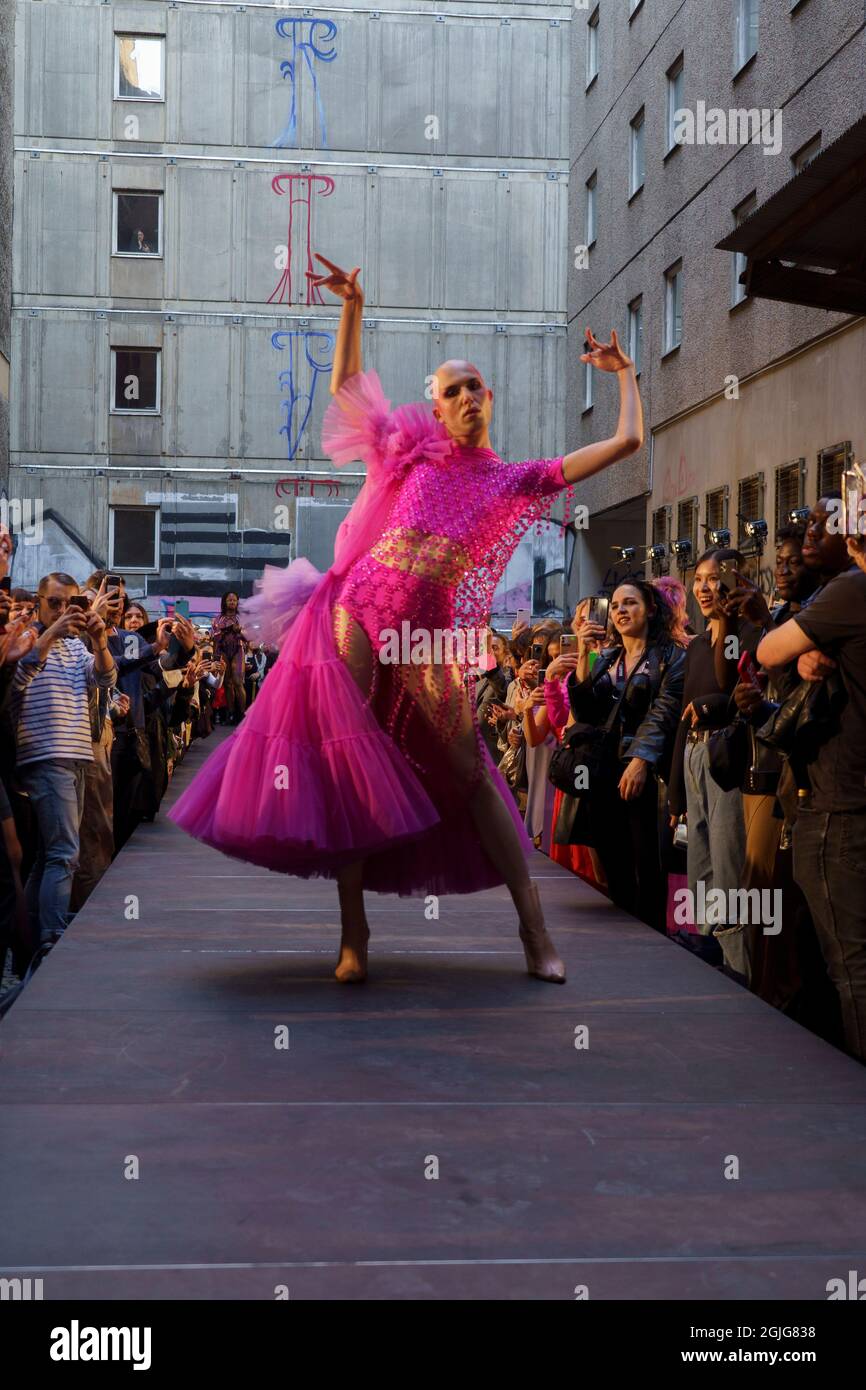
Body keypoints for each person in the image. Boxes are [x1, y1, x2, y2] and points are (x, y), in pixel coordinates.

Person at [170, 255, 644, 983]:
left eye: (472, 387)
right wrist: (354, 305)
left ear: (489, 396)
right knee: (348, 751)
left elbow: (626, 447)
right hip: (361, 608)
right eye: (449, 390)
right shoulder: (409, 454)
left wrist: (625, 376)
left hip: (425, 638)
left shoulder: (512, 478)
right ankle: (354, 934)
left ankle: (535, 933)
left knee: (472, 772)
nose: (463, 399)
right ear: (438, 404)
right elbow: (348, 388)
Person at [757, 525, 866, 1062]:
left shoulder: (853, 590)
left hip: (842, 804)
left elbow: (770, 649)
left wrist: (803, 646)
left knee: (852, 966)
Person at [555, 581, 686, 929]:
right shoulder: (609, 657)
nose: (620, 611)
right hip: (602, 774)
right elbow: (585, 711)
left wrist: (640, 760)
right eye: (615, 606)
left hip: (646, 775)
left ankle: (654, 942)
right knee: (615, 867)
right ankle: (627, 943)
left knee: (648, 867)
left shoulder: (672, 657)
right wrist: (584, 653)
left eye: (630, 603)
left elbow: (664, 713)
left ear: (652, 609)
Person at [667, 549, 764, 962]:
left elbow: (739, 692)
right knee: (700, 862)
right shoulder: (697, 644)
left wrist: (713, 706)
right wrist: (675, 791)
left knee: (727, 864)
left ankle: (736, 962)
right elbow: (684, 715)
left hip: (727, 753)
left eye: (715, 579)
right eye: (700, 579)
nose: (706, 588)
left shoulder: (749, 632)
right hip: (692, 754)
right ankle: (707, 946)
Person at [8, 574, 116, 946]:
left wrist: (100, 641)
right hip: (45, 754)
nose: (64, 609)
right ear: (39, 602)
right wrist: (52, 630)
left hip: (76, 754)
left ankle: (35, 938)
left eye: (71, 603)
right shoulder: (28, 639)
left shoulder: (74, 646)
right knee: (65, 854)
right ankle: (51, 937)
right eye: (55, 602)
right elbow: (19, 677)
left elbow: (104, 679)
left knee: (49, 855)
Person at [211, 593, 248, 725]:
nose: (232, 602)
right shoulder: (218, 619)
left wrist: (240, 631)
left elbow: (248, 637)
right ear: (224, 602)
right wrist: (215, 657)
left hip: (238, 649)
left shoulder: (242, 618)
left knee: (238, 683)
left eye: (234, 600)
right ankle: (230, 714)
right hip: (223, 650)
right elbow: (214, 638)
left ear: (237, 602)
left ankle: (243, 715)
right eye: (229, 600)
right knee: (227, 683)